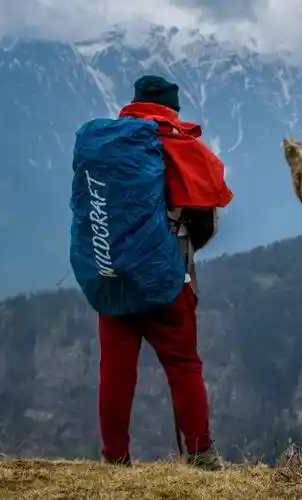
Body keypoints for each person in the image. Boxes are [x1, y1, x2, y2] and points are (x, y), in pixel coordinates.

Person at [92, 75, 232, 470]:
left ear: (133, 103)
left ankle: (114, 458)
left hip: (113, 277)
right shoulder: (183, 149)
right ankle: (200, 453)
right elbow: (205, 224)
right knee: (184, 364)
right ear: (173, 109)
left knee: (116, 371)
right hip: (168, 281)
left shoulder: (109, 148)